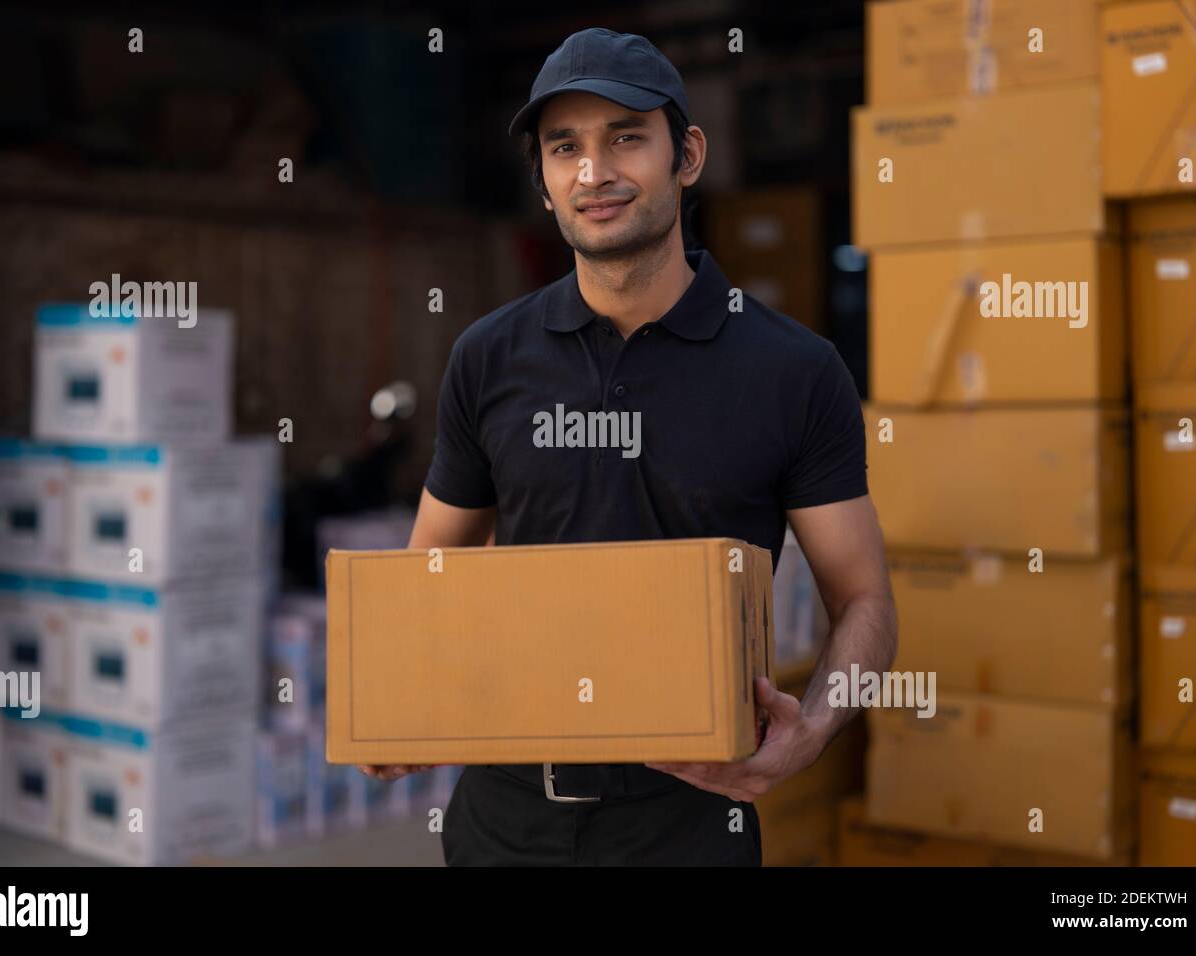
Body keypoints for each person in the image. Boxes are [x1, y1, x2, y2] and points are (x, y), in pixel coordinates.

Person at [362, 27, 897, 866]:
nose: (593, 172)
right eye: (563, 147)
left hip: (690, 820)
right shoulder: (489, 357)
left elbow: (865, 601)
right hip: (504, 821)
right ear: (541, 179)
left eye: (625, 138)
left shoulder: (793, 370)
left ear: (686, 155)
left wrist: (815, 731)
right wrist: (400, 703)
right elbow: (431, 573)